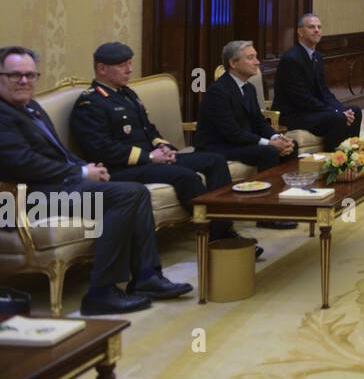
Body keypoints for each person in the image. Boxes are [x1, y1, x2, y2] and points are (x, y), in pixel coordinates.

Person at [0, 46, 191, 315]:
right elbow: (21, 162)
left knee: (134, 192)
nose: (24, 82)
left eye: (30, 76)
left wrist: (86, 167)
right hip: (20, 201)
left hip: (51, 190)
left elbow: (59, 153)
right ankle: (102, 293)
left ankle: (147, 277)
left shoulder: (30, 107)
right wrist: (79, 174)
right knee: (128, 195)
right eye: (15, 76)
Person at [69, 42, 244, 243]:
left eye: (130, 63)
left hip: (151, 159)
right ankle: (219, 236)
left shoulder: (127, 94)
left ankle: (223, 227)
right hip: (121, 168)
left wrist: (165, 148)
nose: (130, 69)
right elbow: (102, 149)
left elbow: (148, 129)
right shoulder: (90, 104)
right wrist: (150, 157)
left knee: (215, 161)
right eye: (122, 65)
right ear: (101, 68)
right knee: (185, 176)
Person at [196, 40, 297, 172]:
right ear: (233, 63)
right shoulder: (218, 92)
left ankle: (287, 188)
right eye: (250, 58)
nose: (257, 62)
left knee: (291, 145)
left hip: (241, 143)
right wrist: (270, 143)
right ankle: (268, 190)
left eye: (256, 56)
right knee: (269, 151)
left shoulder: (249, 88)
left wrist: (276, 138)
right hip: (220, 146)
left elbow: (259, 121)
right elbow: (233, 133)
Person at [272, 13, 361, 151]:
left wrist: (341, 109)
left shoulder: (317, 57)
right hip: (294, 114)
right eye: (311, 27)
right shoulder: (291, 59)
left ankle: (350, 155)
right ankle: (332, 159)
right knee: (336, 117)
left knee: (355, 112)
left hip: (312, 111)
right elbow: (302, 98)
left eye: (319, 27)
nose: (316, 30)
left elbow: (324, 92)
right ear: (300, 32)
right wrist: (336, 112)